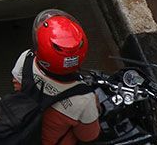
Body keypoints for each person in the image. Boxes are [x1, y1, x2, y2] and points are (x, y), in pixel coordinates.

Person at [10, 9, 100, 145]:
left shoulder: (26, 58)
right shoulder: (84, 99)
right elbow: (88, 136)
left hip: (19, 128)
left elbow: (17, 85)